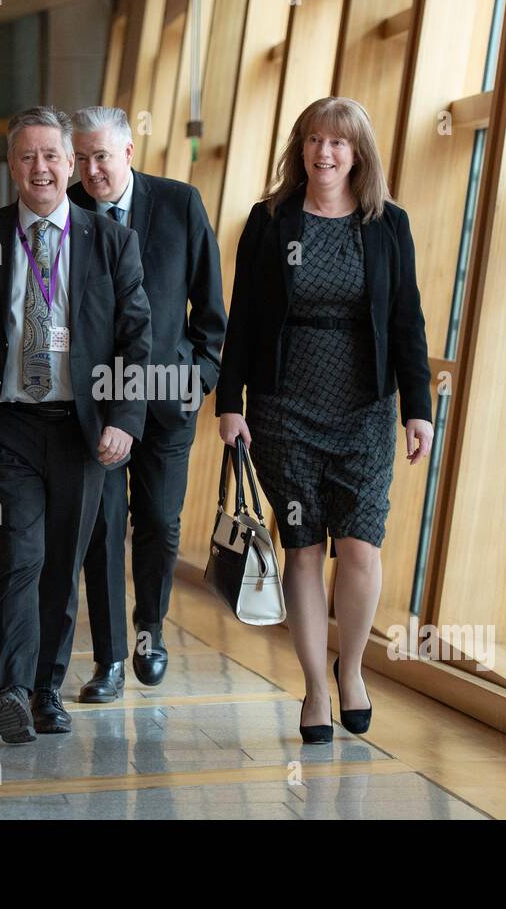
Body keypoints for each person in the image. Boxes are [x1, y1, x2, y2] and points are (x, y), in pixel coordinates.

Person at [0, 106, 151, 744]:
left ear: (71, 163)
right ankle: (12, 693)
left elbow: (137, 338)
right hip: (10, 429)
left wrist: (125, 418)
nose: (41, 168)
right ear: (11, 166)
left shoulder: (109, 241)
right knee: (19, 557)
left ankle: (48, 689)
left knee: (63, 564)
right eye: (27, 157)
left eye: (52, 156)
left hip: (82, 430)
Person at [215, 97, 434, 745]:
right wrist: (230, 402)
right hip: (285, 407)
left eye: (338, 143)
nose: (325, 153)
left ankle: (353, 669)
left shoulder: (387, 225)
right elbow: (245, 319)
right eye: (314, 140)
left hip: (365, 410)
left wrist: (419, 409)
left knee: (362, 548)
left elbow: (407, 323)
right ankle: (314, 686)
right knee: (304, 550)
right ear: (300, 150)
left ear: (358, 152)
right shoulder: (270, 221)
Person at [68, 106, 226, 701]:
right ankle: (108, 659)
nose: (90, 170)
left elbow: (210, 306)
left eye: (101, 157)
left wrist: (200, 378)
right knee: (104, 529)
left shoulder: (180, 203)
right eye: (80, 158)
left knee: (158, 523)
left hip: (165, 400)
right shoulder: (69, 212)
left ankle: (148, 631)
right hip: (97, 406)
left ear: (128, 153)